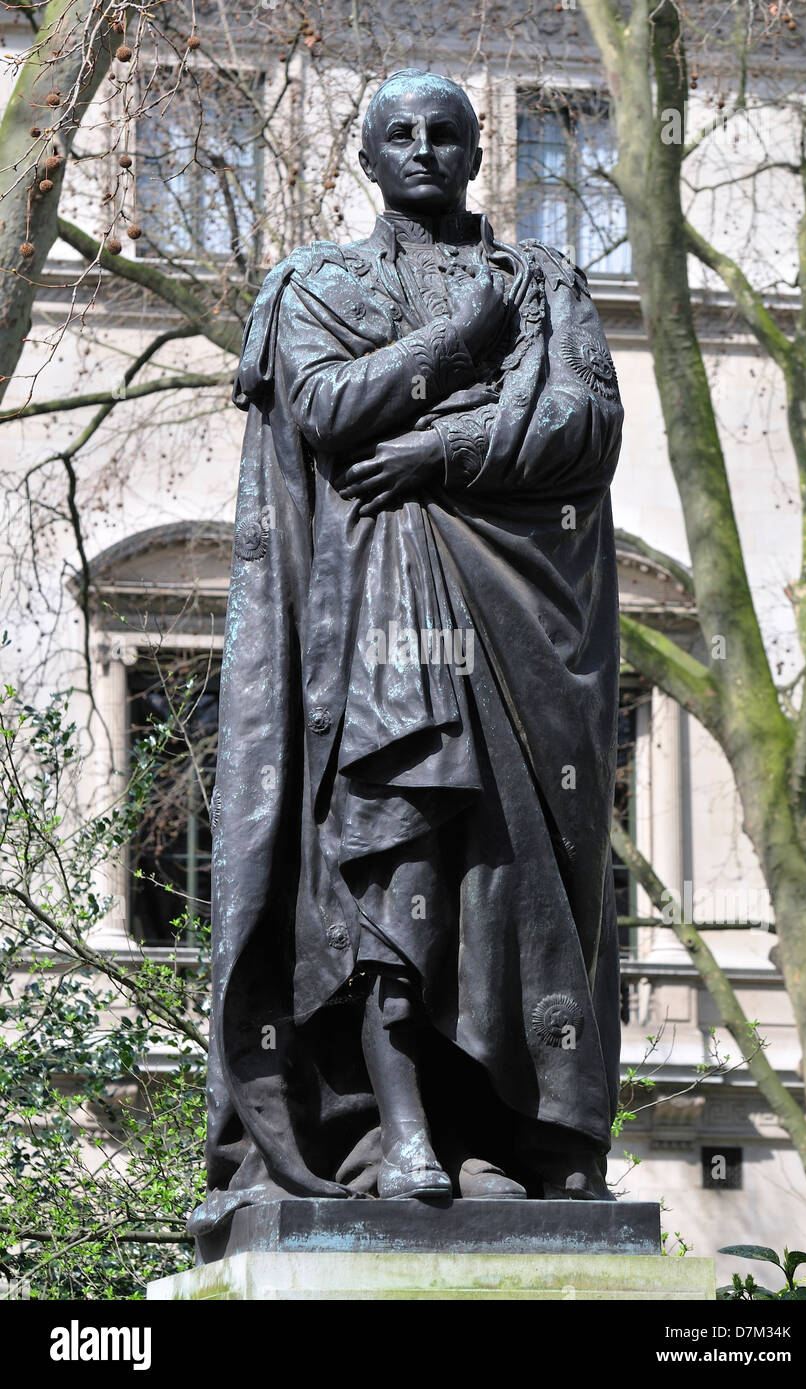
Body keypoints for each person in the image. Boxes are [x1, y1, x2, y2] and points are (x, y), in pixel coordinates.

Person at [191, 69, 624, 1235]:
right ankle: (401, 1131)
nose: (425, 147)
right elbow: (328, 410)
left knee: (509, 881)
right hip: (381, 617)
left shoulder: (547, 281)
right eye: (400, 133)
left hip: (528, 635)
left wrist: (441, 449)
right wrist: (465, 340)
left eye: (447, 131)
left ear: (480, 151)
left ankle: (498, 1130)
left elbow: (583, 422)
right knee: (394, 856)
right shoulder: (318, 282)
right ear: (366, 156)